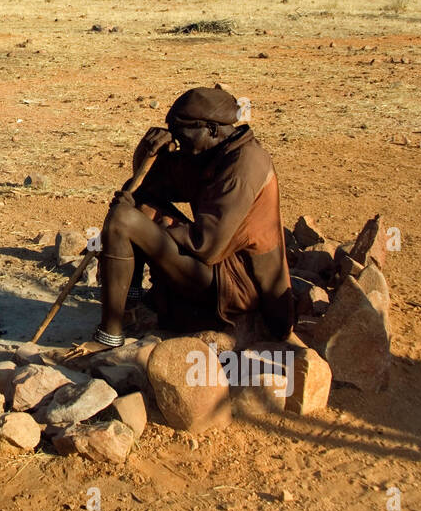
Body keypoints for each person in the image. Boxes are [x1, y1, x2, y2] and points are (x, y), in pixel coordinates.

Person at [61, 86, 296, 363]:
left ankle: (110, 336)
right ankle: (130, 302)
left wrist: (148, 229)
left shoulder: (243, 166)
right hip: (217, 268)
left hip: (236, 286)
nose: (178, 142)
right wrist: (149, 150)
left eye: (182, 135)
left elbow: (207, 246)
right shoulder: (216, 150)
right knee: (138, 204)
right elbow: (149, 186)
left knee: (124, 220)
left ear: (210, 129)